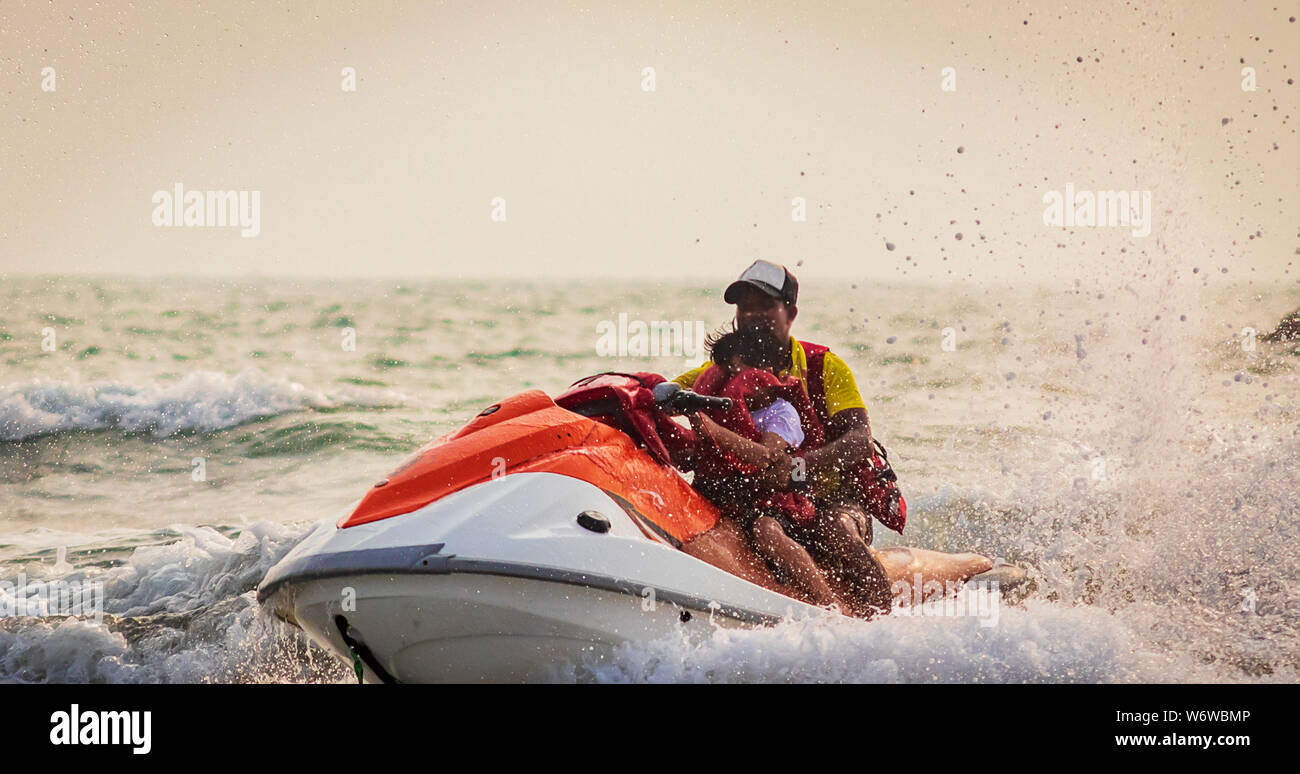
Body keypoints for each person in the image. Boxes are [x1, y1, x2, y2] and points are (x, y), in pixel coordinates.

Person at [677, 261, 993, 615]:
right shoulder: (716, 375)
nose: (751, 315)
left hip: (829, 500)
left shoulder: (824, 367)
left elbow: (859, 441)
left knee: (835, 529)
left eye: (764, 305)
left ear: (790, 313)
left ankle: (879, 623)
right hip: (760, 503)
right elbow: (662, 396)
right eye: (744, 306)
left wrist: (797, 468)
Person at [687, 326, 842, 610]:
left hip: (780, 504)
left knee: (766, 530)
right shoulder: (719, 406)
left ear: (768, 370)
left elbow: (766, 456)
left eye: (743, 370)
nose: (736, 379)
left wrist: (709, 428)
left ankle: (829, 604)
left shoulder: (783, 412)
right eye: (729, 373)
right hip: (733, 497)